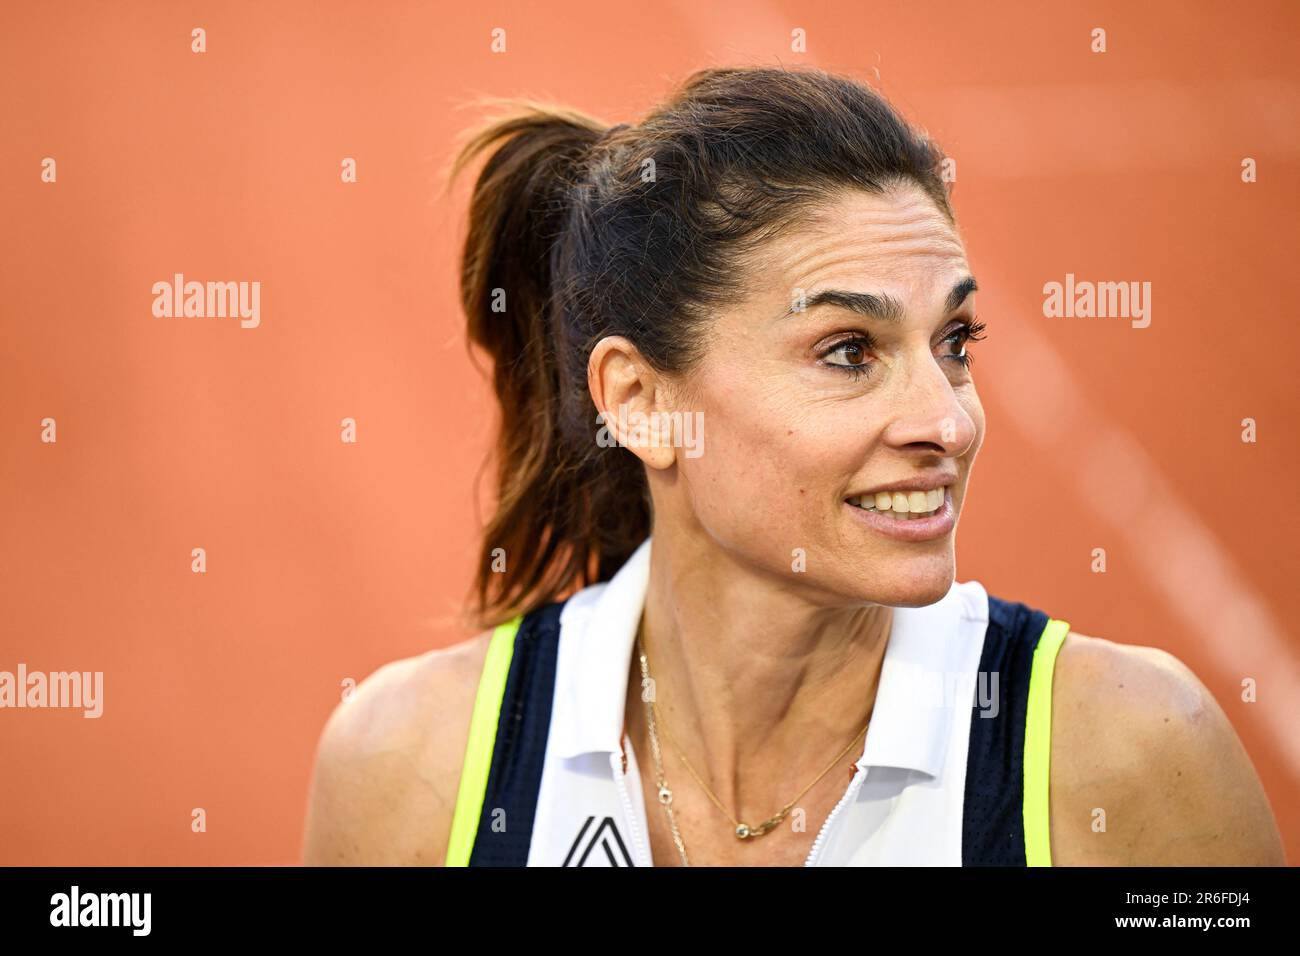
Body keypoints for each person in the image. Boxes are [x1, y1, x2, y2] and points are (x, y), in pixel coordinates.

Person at [302, 66, 1285, 866]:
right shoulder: (407, 768)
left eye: (954, 341)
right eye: (848, 350)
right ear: (640, 403)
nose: (946, 419)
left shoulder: (1132, 758)